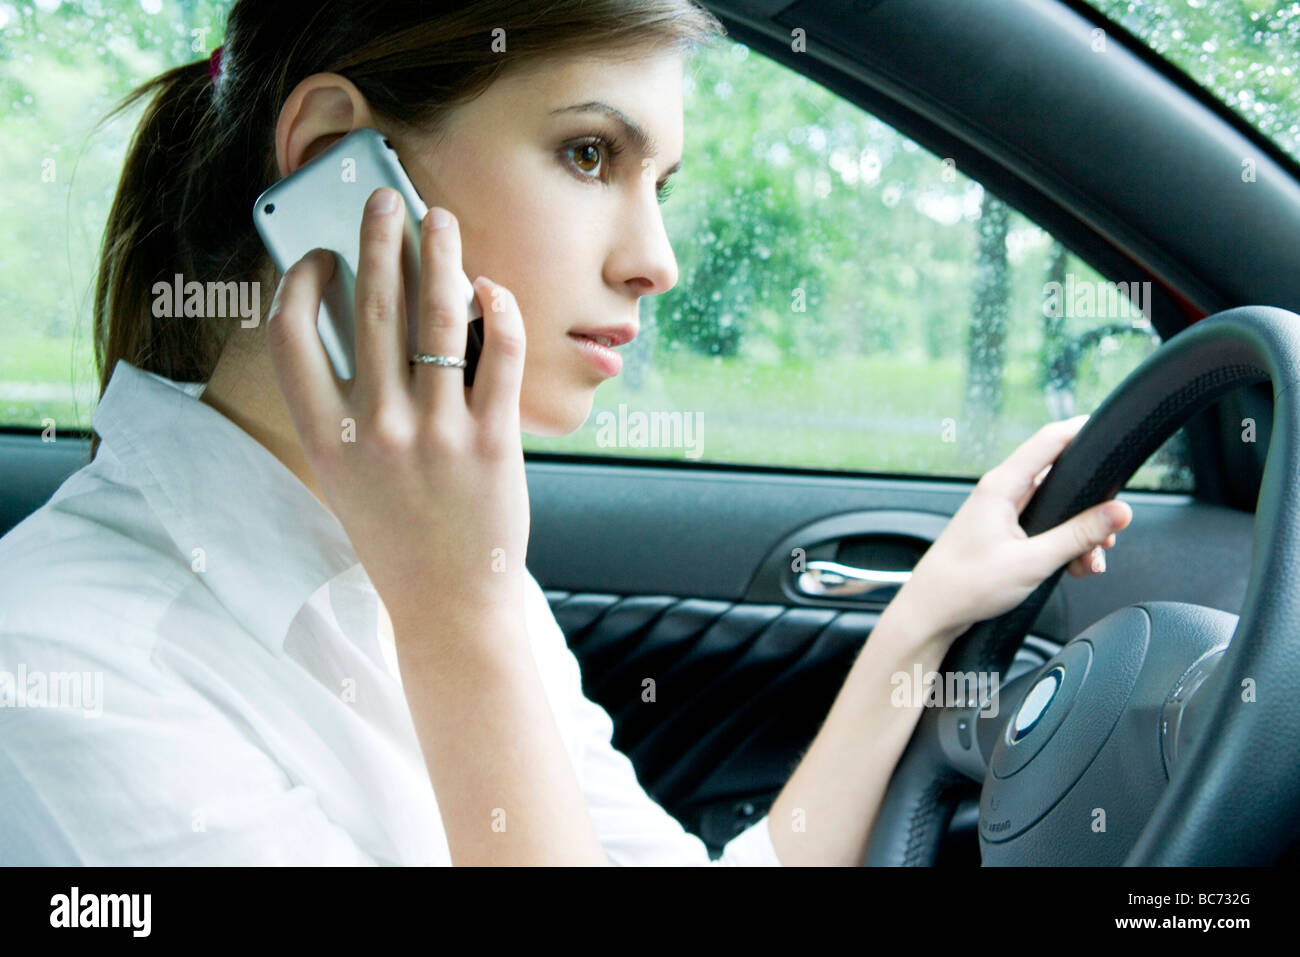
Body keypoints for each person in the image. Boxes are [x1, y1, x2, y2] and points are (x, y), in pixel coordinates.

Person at [0, 0, 1132, 866]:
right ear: (338, 161)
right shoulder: (57, 667)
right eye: (590, 154)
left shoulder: (435, 560)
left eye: (661, 182)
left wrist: (923, 618)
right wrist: (460, 616)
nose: (658, 260)